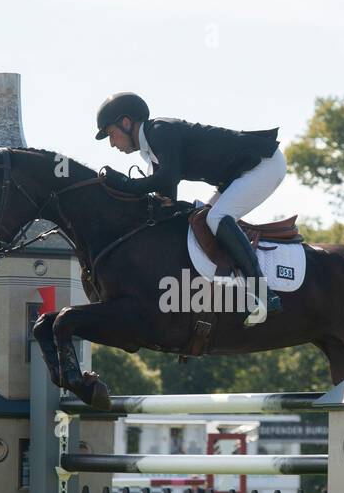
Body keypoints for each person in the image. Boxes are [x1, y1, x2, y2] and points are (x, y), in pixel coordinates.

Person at [94, 92, 284, 325]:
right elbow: (167, 198)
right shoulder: (150, 150)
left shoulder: (160, 130)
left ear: (126, 122)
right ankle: (232, 288)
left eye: (111, 134)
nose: (112, 143)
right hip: (239, 174)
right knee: (202, 220)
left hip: (263, 164)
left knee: (217, 217)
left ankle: (265, 294)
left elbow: (167, 177)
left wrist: (125, 183)